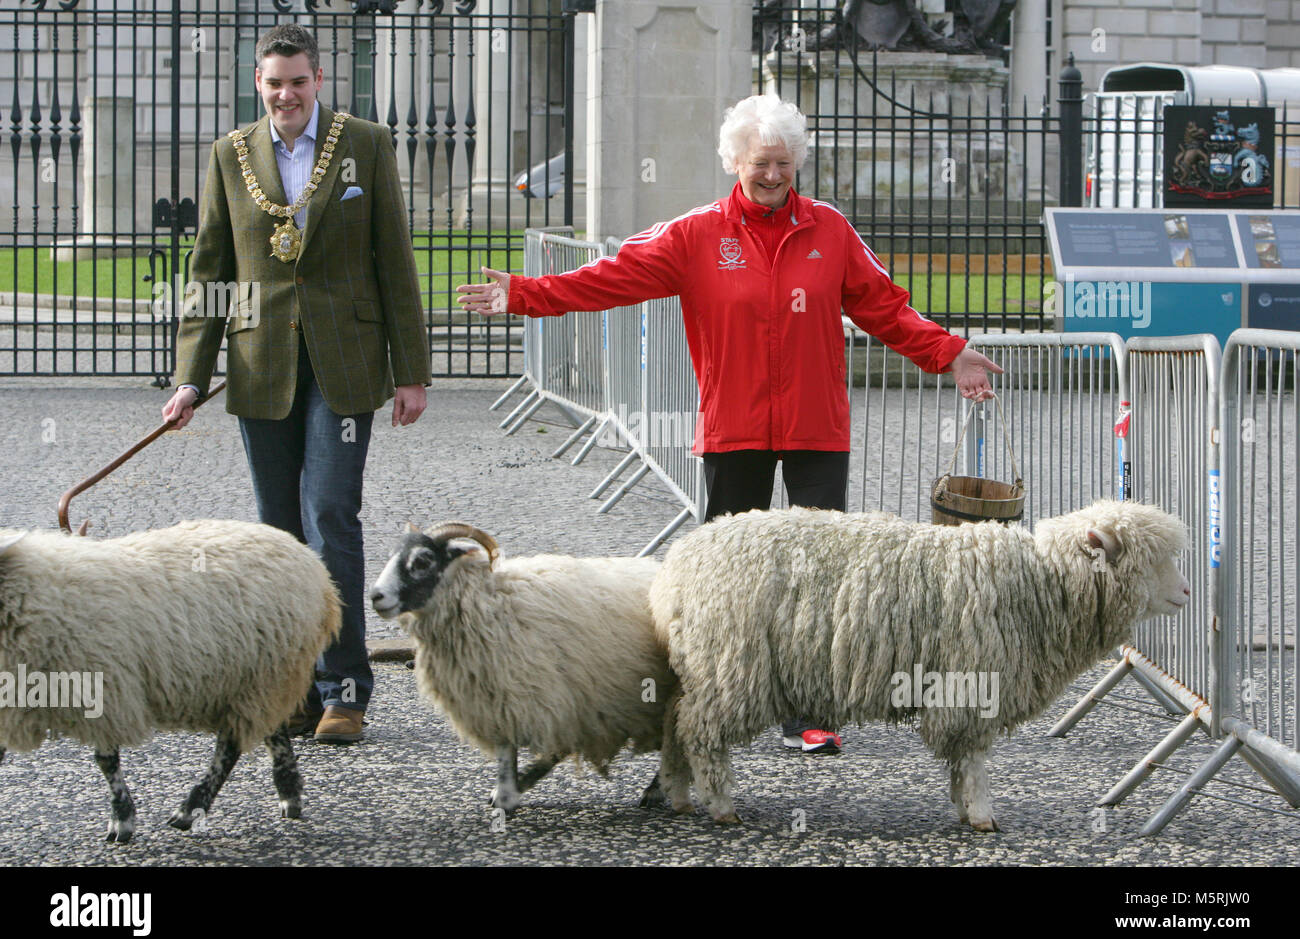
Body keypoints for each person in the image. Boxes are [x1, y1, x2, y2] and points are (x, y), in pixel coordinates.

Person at [457, 94, 1000, 755]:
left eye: (783, 163)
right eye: (759, 164)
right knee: (727, 576)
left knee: (817, 577)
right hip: (733, 427)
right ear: (734, 163)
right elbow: (610, 280)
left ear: (797, 162)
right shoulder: (696, 234)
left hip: (813, 429)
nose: (772, 176)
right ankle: (719, 699)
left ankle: (810, 708)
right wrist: (523, 294)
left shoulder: (830, 231)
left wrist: (951, 353)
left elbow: (887, 308)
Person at [163, 24, 431, 744]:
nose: (287, 94)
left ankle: (346, 687)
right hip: (262, 365)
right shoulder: (231, 154)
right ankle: (294, 689)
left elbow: (394, 261)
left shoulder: (365, 145)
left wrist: (411, 372)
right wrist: (191, 377)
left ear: (320, 80)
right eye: (275, 82)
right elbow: (210, 271)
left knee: (331, 516)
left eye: (299, 81)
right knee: (277, 531)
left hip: (343, 363)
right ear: (259, 82)